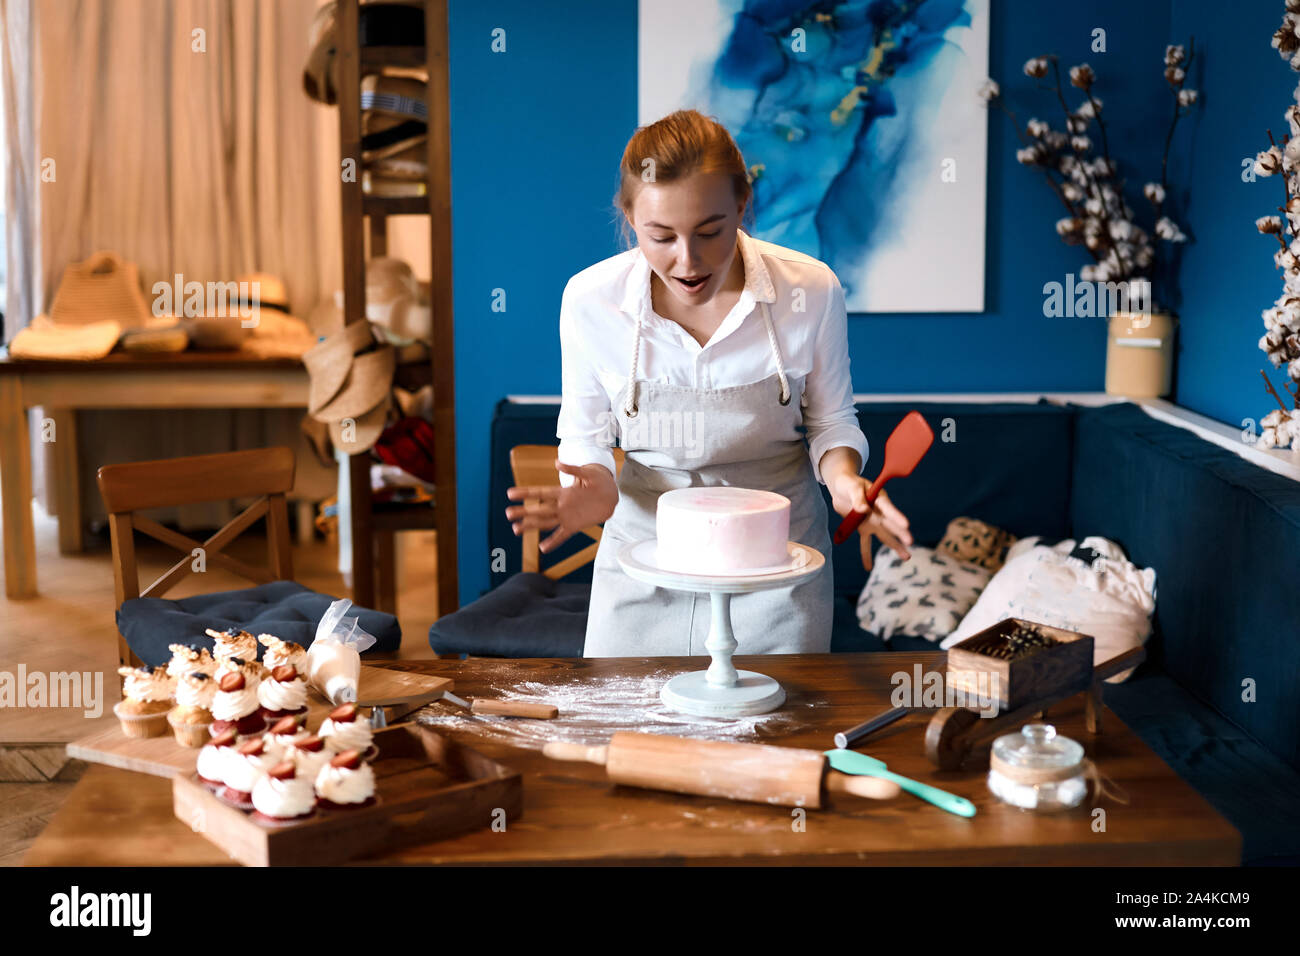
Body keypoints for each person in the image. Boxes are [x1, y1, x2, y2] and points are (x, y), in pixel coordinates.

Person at [506, 109, 913, 656]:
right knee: (632, 732)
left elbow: (831, 421)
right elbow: (586, 437)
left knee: (768, 732)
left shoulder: (811, 290)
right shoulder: (590, 300)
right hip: (645, 562)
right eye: (661, 236)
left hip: (777, 568)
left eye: (709, 231)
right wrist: (594, 490)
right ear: (629, 218)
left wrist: (846, 486)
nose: (687, 260)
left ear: (743, 206)